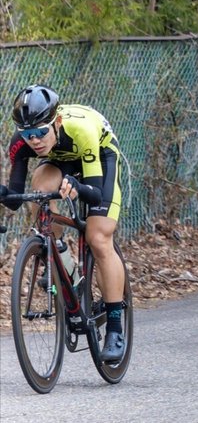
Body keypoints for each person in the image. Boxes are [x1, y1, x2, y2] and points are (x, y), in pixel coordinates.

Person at [2, 86, 129, 362]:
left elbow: (94, 192)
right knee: (39, 190)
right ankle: (56, 252)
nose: (34, 140)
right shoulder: (21, 142)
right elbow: (15, 198)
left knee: (98, 237)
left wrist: (76, 186)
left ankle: (116, 328)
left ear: (56, 122)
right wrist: (4, 196)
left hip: (99, 156)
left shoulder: (80, 129)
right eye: (27, 134)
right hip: (61, 160)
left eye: (40, 132)